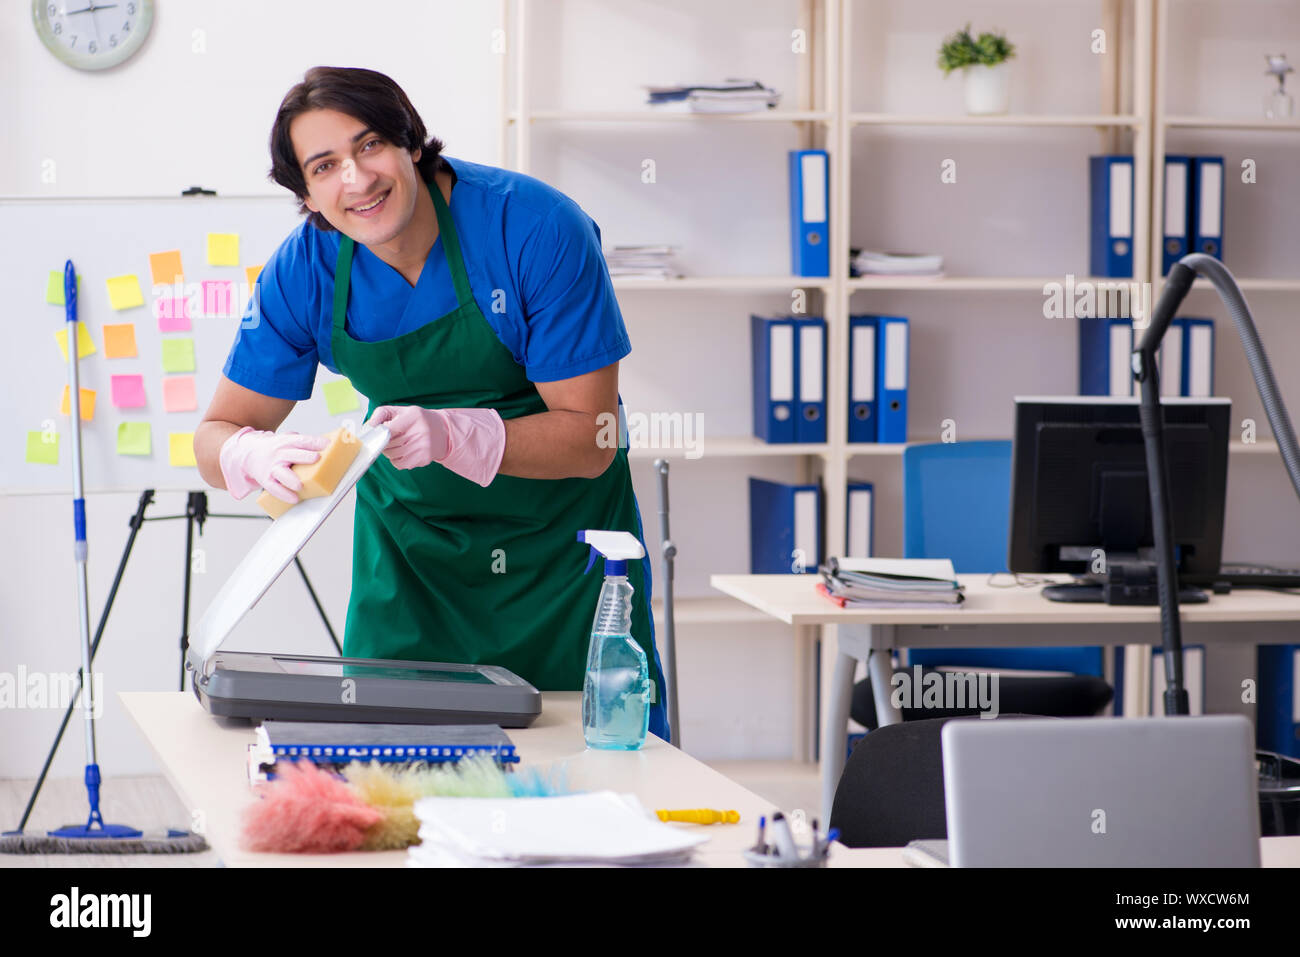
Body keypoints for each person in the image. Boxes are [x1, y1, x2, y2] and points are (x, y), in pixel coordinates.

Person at [193, 66, 669, 740]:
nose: (356, 180)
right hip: (412, 567)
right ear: (306, 193)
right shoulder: (304, 270)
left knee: (587, 772)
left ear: (411, 143)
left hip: (560, 562)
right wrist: (249, 450)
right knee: (396, 776)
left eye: (369, 146)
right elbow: (214, 436)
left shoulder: (533, 229)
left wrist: (454, 434)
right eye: (325, 166)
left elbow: (592, 439)